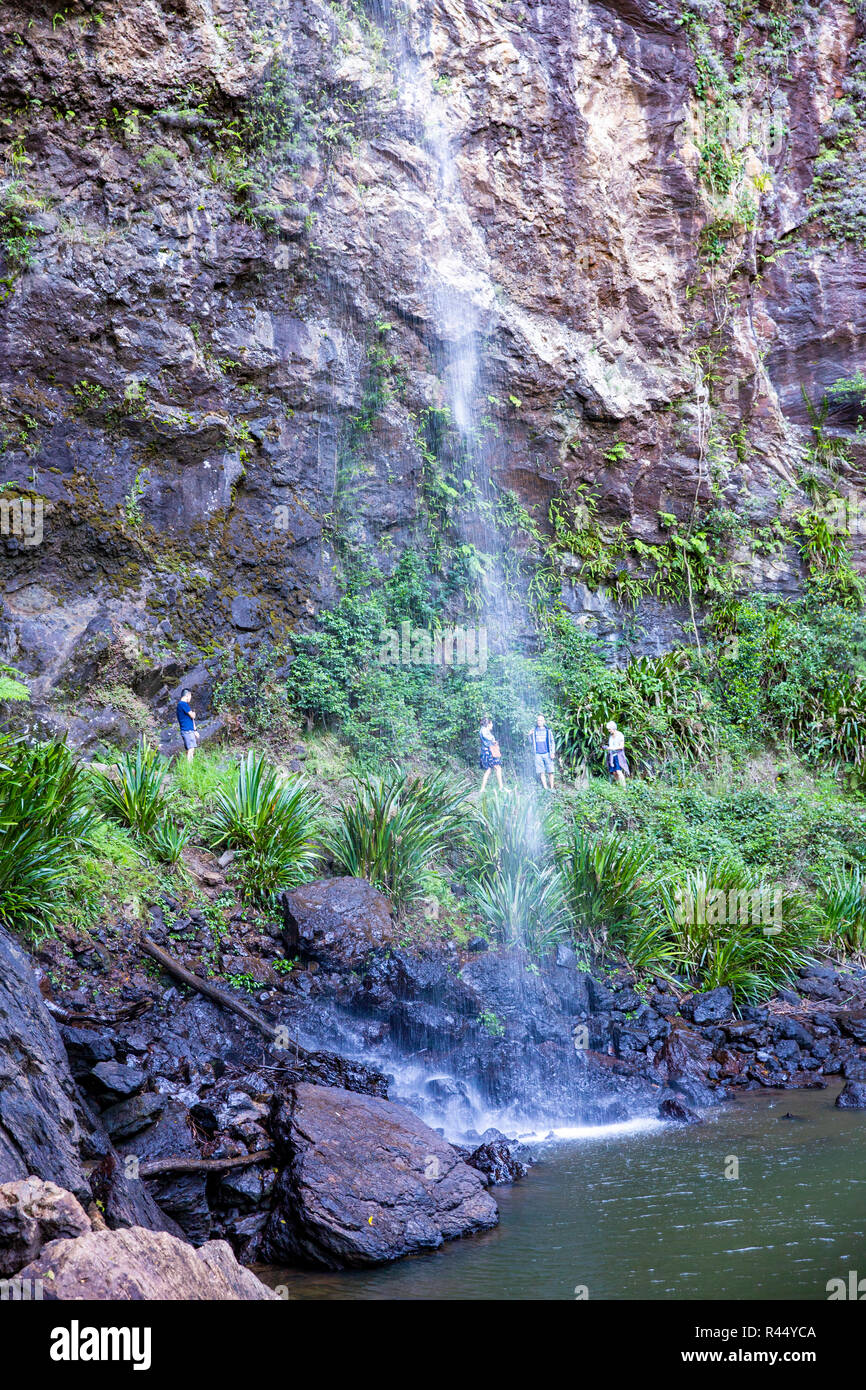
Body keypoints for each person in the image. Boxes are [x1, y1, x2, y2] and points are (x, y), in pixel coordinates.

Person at [530, 714, 556, 790]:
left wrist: (552, 752)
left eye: (541, 720)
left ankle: (551, 788)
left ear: (544, 721)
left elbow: (552, 742)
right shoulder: (534, 731)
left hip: (547, 753)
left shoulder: (548, 731)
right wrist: (529, 735)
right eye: (538, 720)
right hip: (538, 754)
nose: (539, 722)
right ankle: (545, 788)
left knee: (550, 771)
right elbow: (530, 742)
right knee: (542, 772)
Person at [478, 715, 503, 792]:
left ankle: (482, 789)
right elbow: (489, 739)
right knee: (497, 768)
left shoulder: (484, 730)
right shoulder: (484, 730)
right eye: (491, 724)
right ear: (488, 724)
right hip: (488, 752)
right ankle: (501, 787)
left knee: (489, 770)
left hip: (487, 751)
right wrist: (493, 741)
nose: (492, 726)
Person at [176, 687, 199, 762]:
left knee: (190, 749)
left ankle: (188, 767)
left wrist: (195, 730)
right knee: (191, 749)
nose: (190, 698)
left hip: (188, 730)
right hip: (187, 730)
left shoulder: (182, 705)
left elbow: (191, 719)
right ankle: (189, 768)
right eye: (190, 696)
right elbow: (192, 716)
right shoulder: (183, 704)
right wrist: (193, 714)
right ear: (187, 695)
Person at [604, 719, 629, 786]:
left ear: (613, 728)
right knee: (614, 772)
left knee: (618, 771)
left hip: (618, 755)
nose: (609, 731)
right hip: (612, 755)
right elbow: (610, 745)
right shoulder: (610, 736)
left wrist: (611, 748)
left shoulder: (620, 735)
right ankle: (619, 785)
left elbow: (621, 747)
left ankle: (624, 787)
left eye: (610, 729)